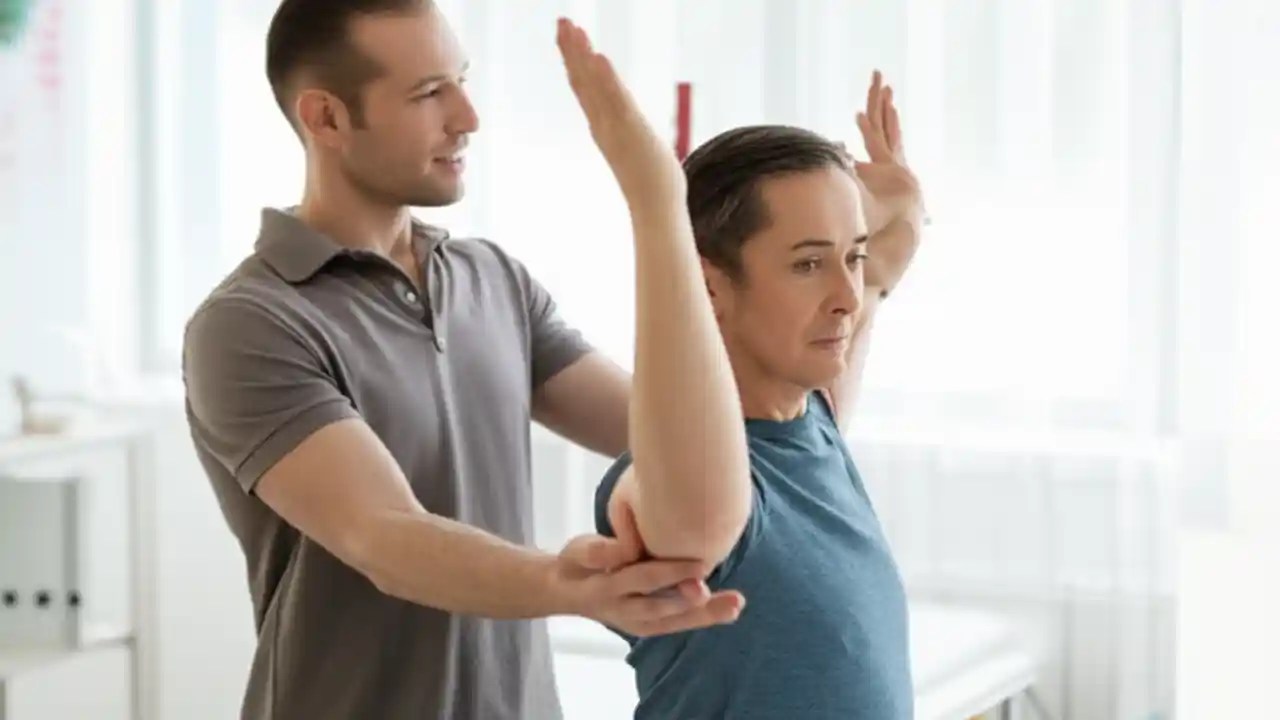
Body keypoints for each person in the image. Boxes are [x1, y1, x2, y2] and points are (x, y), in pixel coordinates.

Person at [180, 2, 743, 719]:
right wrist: (569, 585)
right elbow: (384, 535)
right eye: (427, 94)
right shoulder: (251, 323)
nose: (467, 116)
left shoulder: (492, 281)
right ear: (325, 119)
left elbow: (670, 434)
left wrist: (668, 211)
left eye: (462, 81)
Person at [556, 17, 923, 720]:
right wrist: (655, 202)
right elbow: (696, 525)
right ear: (711, 288)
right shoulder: (669, 485)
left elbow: (880, 273)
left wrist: (903, 202)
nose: (844, 296)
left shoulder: (814, 424)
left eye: (849, 254)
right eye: (808, 263)